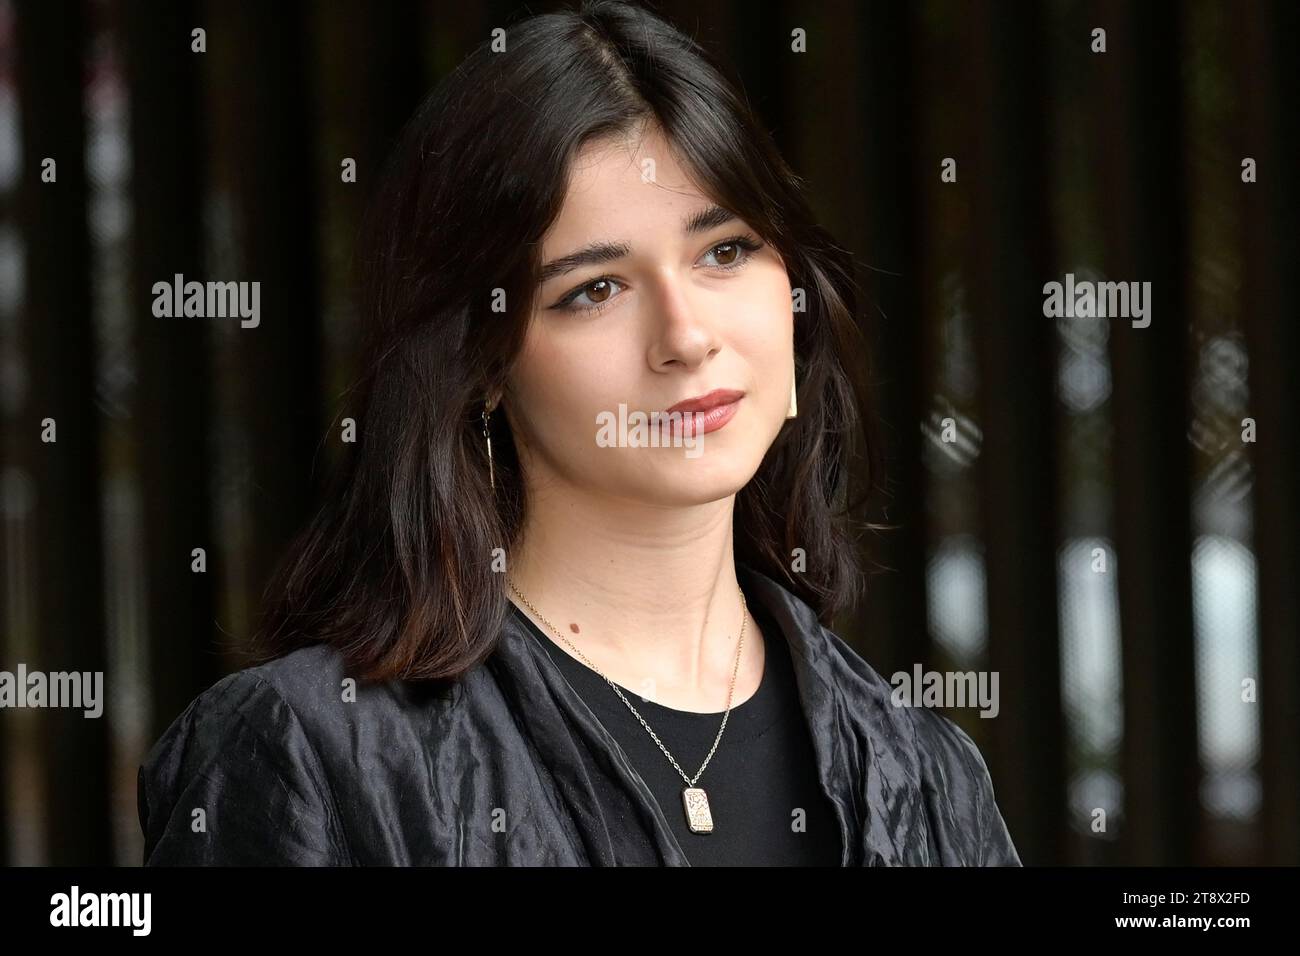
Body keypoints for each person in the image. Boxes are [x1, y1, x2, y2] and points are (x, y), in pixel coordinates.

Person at [138, 0, 1020, 867]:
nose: (685, 336)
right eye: (594, 289)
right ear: (481, 360)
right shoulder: (316, 760)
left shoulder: (928, 778)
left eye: (725, 251)